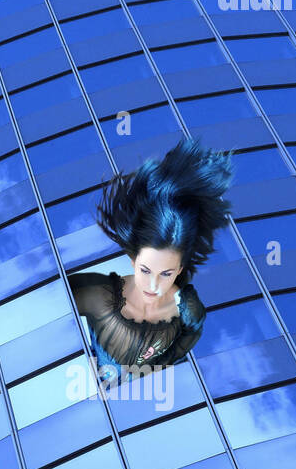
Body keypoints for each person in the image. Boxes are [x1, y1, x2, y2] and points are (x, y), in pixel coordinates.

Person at [67, 135, 234, 384]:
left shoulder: (188, 312)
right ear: (133, 261)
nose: (153, 285)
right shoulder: (96, 295)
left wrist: (154, 370)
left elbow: (186, 342)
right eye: (145, 270)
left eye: (165, 274)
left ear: (179, 270)